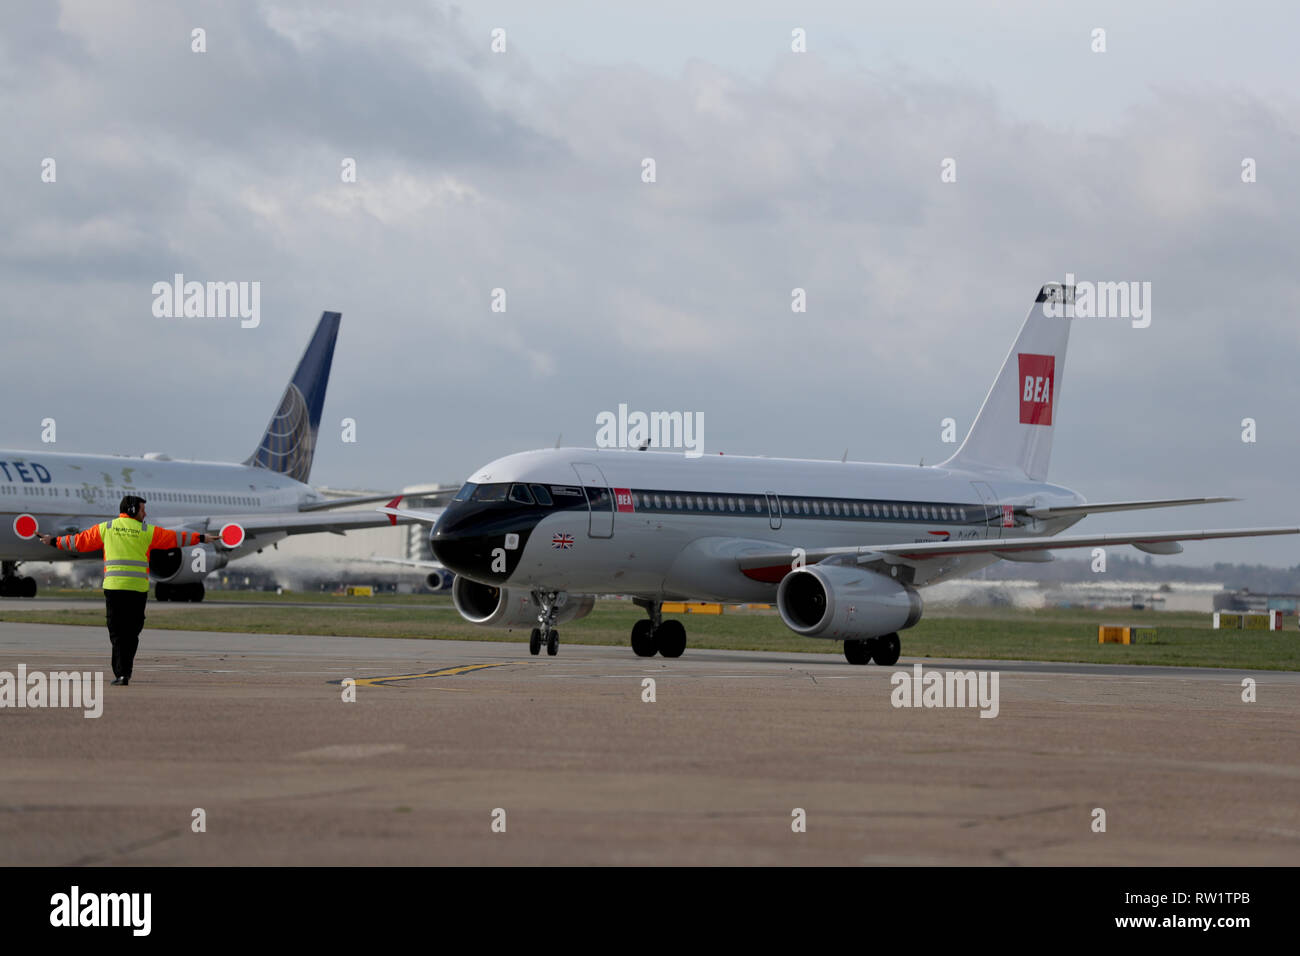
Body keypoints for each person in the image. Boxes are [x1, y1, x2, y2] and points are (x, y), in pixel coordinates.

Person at [38, 495, 216, 685]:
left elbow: (78, 542)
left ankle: (121, 673)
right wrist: (202, 538)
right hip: (137, 590)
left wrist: (53, 541)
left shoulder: (106, 528)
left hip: (114, 589)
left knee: (117, 633)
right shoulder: (146, 531)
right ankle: (125, 672)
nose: (145, 513)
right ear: (132, 510)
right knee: (132, 633)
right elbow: (174, 539)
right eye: (142, 510)